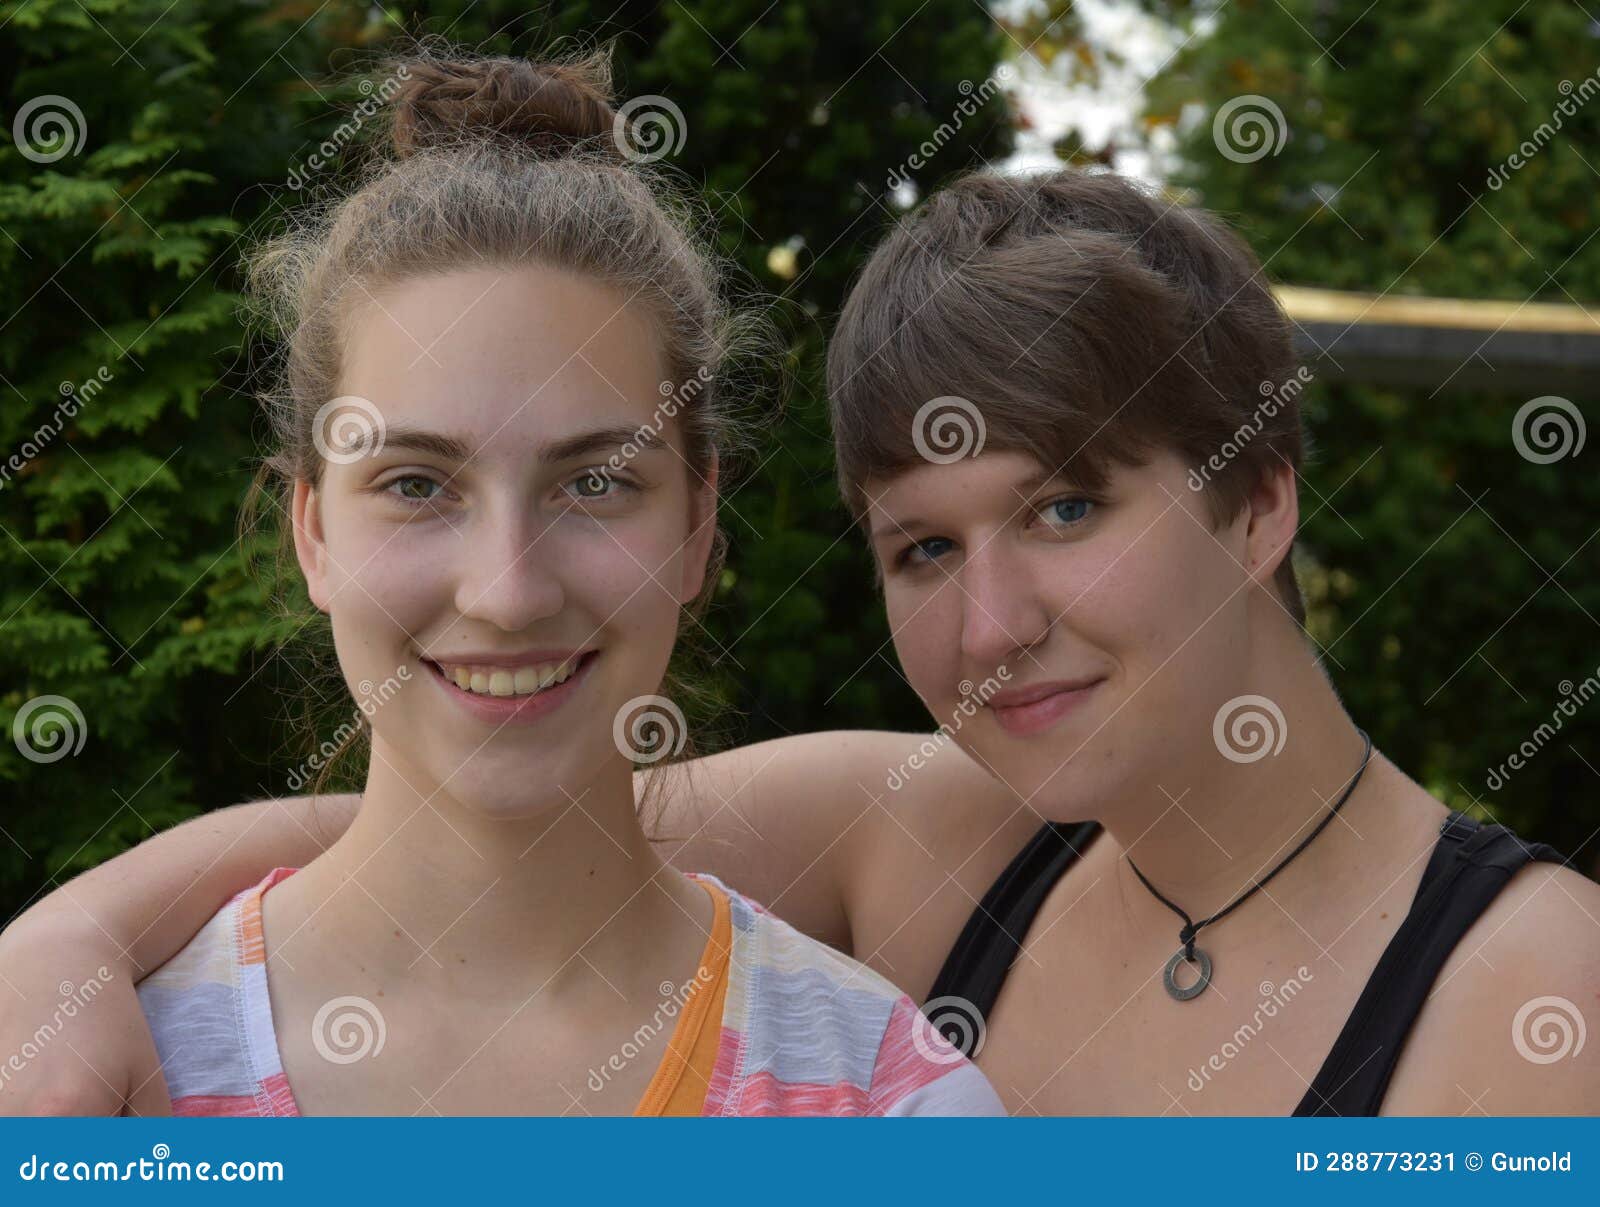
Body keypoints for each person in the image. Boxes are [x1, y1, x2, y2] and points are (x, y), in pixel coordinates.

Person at [4, 149, 1594, 1117]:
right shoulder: (931, 833)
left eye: (1062, 510)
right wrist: (61, 945)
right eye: (920, 546)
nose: (991, 624)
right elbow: (468, 810)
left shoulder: (1537, 989)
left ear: (1258, 501)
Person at [0, 47, 1003, 1118]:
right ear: (312, 533)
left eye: (598, 481)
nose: (507, 591)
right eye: (416, 483)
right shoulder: (86, 1081)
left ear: (698, 526)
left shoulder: (892, 1107)